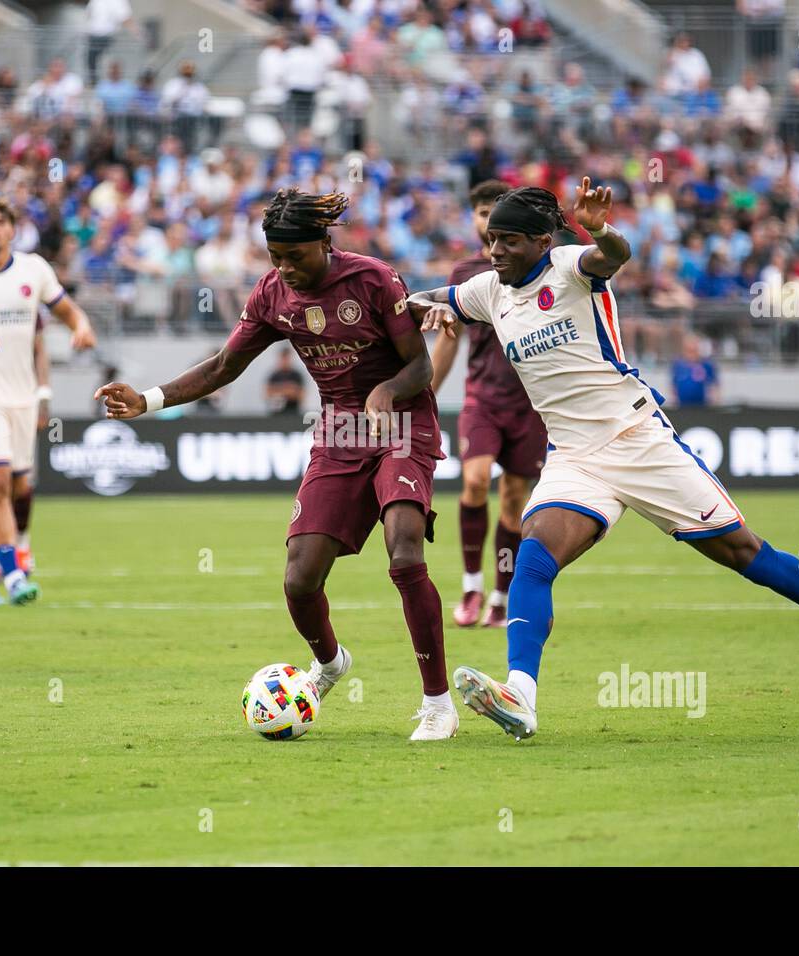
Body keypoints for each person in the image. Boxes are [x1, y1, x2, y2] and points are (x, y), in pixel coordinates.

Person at [412, 183, 799, 741]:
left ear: (539, 240)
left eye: (506, 240)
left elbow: (613, 256)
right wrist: (386, 301)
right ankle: (521, 695)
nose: (494, 248)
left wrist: (600, 228)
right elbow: (422, 300)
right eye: (491, 238)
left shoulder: (569, 266)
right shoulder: (488, 290)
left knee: (743, 552)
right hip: (574, 456)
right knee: (534, 556)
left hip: (638, 440)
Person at [96, 188, 458, 740]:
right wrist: (147, 400)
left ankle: (437, 704)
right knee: (299, 579)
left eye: (296, 256)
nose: (285, 268)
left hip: (403, 426)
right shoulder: (272, 295)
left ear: (324, 243)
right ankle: (331, 664)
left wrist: (385, 391)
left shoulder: (373, 279)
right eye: (275, 257)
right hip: (339, 432)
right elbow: (222, 366)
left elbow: (421, 367)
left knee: (404, 548)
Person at [0, 197, 96, 605]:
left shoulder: (34, 270)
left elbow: (66, 312)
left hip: (23, 397)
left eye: (1, 221)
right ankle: (13, 575)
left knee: (11, 491)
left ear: (13, 229)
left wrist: (81, 326)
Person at [430, 180, 546, 629]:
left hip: (531, 403)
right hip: (482, 399)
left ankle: (501, 596)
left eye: (494, 213)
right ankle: (472, 586)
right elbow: (448, 342)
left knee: (515, 501)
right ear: (473, 219)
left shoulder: (543, 270)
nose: (487, 222)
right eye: (480, 213)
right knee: (475, 481)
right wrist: (427, 395)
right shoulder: (465, 275)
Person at [671, 335, 720, 407]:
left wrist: (714, 403)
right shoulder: (678, 365)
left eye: (694, 351)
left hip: (703, 406)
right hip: (682, 407)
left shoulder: (706, 365)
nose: (691, 355)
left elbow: (714, 386)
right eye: (689, 351)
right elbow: (674, 386)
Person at [264, 346, 305, 414]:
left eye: (287, 358)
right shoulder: (274, 376)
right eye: (283, 358)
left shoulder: (297, 376)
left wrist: (277, 390)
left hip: (293, 413)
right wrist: (289, 390)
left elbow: (301, 396)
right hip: (275, 414)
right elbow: (267, 394)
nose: (285, 361)